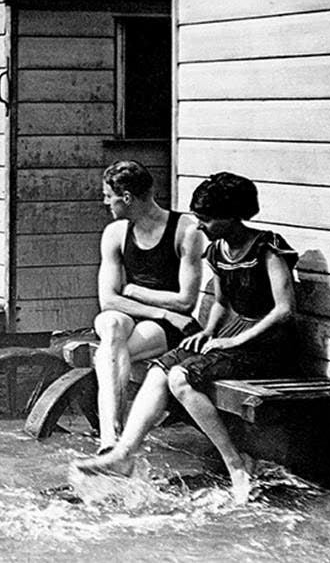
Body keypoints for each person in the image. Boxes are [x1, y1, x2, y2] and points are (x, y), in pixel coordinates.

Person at [73, 172, 298, 504]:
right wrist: (209, 331)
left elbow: (285, 310)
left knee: (180, 377)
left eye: (206, 219)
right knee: (159, 370)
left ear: (231, 216)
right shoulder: (219, 250)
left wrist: (235, 341)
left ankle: (236, 464)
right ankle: (123, 454)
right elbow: (221, 303)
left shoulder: (267, 247)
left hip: (267, 345)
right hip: (230, 339)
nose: (200, 226)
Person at [92, 161, 205, 454]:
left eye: (108, 196)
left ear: (127, 197)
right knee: (111, 325)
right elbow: (108, 300)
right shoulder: (115, 233)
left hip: (164, 328)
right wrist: (163, 310)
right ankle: (112, 437)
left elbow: (186, 301)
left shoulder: (185, 230)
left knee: (107, 355)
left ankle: (110, 439)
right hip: (147, 316)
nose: (105, 202)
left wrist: (135, 291)